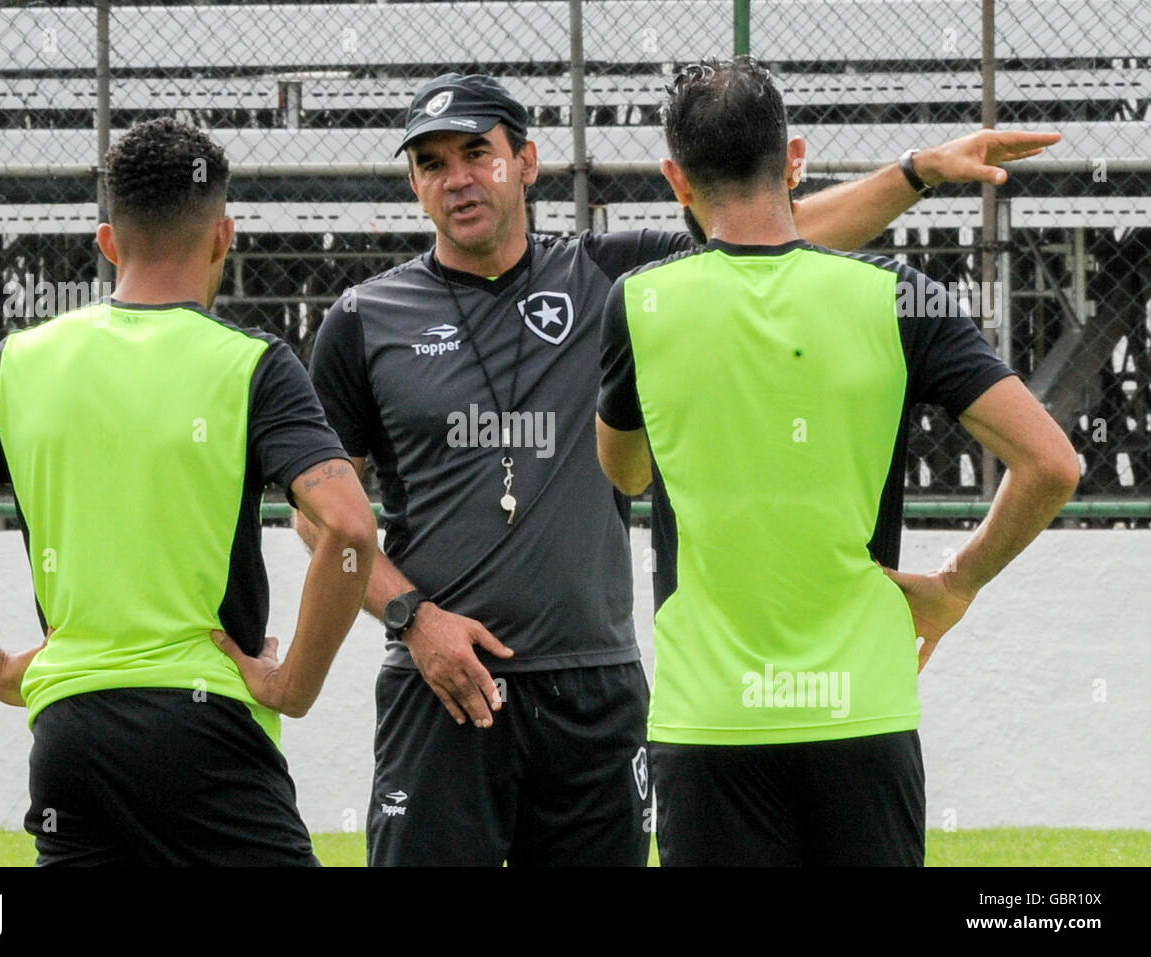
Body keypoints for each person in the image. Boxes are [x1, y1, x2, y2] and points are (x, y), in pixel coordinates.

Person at [295, 71, 1063, 867]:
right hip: (441, 686)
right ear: (414, 182)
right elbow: (319, 512)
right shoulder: (361, 319)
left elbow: (779, 235)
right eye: (429, 163)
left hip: (597, 687)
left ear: (526, 162)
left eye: (475, 153)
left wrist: (917, 172)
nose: (455, 178)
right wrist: (412, 618)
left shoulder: (619, 281)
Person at [0, 117, 377, 866]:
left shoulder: (18, 364)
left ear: (106, 242)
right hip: (209, 729)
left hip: (71, 734)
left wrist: (0, 669)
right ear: (224, 237)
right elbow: (351, 531)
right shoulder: (252, 366)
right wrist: (292, 684)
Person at [596, 57, 1079, 866]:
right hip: (861, 712)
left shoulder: (639, 305)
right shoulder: (897, 297)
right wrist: (956, 583)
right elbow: (1052, 464)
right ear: (796, 160)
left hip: (710, 718)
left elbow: (627, 474)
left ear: (675, 178)